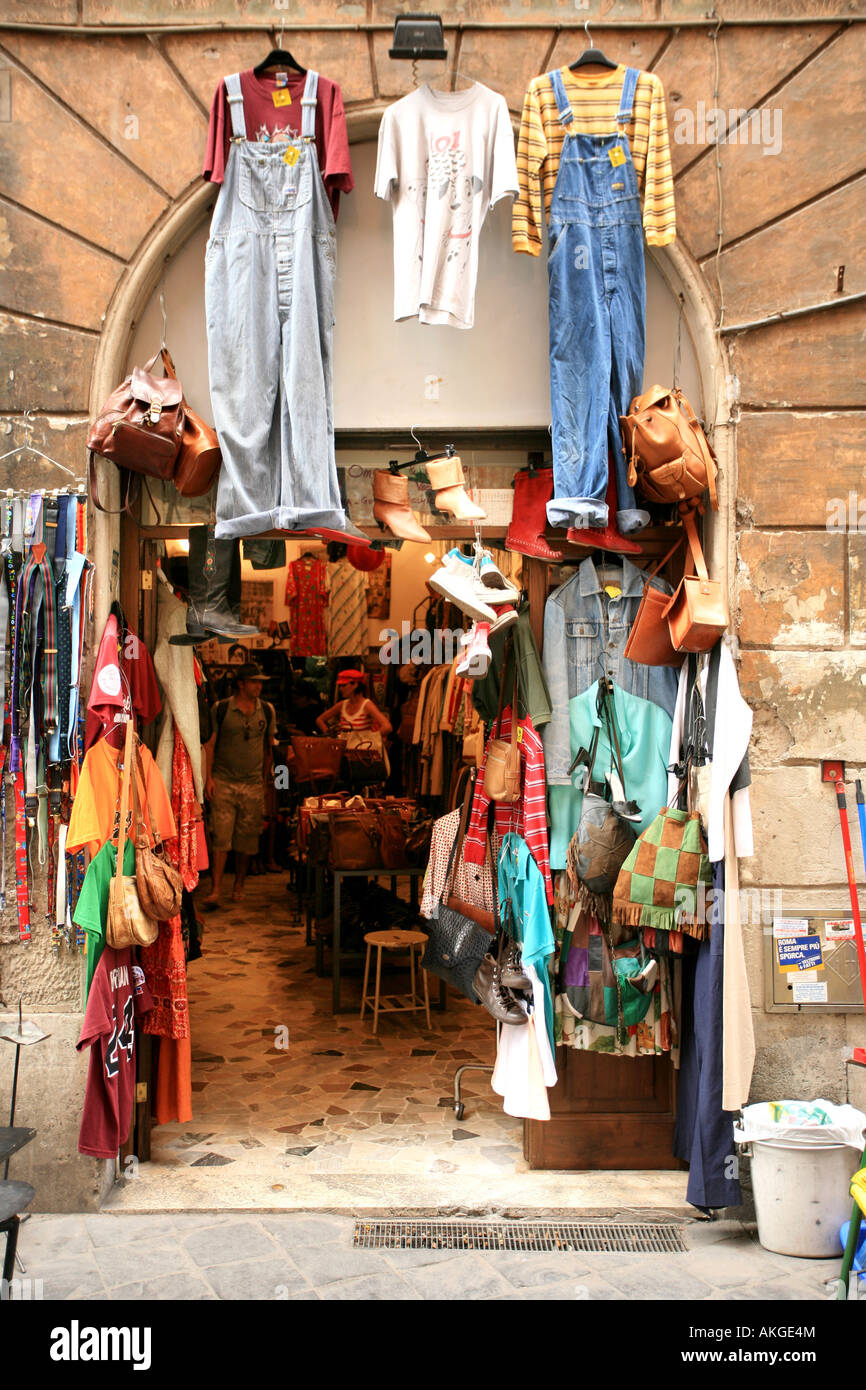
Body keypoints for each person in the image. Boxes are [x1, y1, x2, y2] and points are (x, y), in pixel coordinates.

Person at [201, 662, 276, 908]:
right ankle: (216, 889)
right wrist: (208, 778)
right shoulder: (221, 709)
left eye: (261, 682)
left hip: (253, 783)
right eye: (254, 681)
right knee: (221, 837)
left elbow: (268, 749)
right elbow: (210, 745)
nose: (258, 686)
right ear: (241, 684)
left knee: (247, 838)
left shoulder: (266, 710)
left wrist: (267, 781)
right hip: (224, 781)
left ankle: (239, 884)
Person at [316, 669, 392, 736]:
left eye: (344, 685)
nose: (340, 689)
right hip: (344, 748)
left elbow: (387, 727)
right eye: (340, 686)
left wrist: (370, 738)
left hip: (362, 749)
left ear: (355, 685)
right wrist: (329, 733)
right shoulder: (342, 704)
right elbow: (320, 720)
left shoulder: (367, 705)